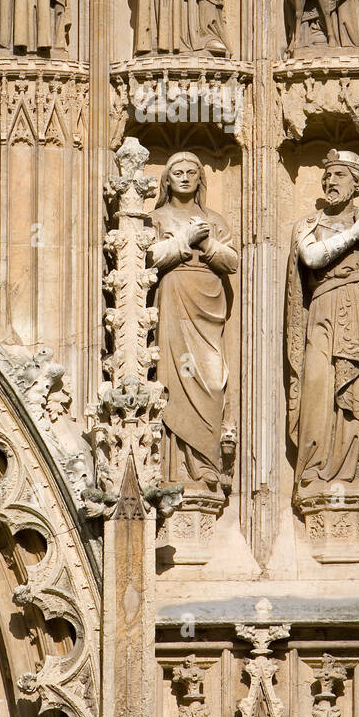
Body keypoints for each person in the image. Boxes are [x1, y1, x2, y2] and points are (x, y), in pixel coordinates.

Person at [286, 149, 359, 498]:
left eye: (338, 175)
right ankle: (316, 468)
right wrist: (354, 234)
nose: (329, 182)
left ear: (357, 183)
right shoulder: (308, 224)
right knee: (319, 386)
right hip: (323, 310)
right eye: (327, 175)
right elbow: (312, 256)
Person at [149, 152, 237, 494]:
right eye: (177, 173)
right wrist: (183, 241)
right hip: (173, 299)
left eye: (191, 172)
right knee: (175, 379)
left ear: (200, 179)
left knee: (213, 382)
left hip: (209, 305)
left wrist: (208, 242)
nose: (184, 178)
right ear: (166, 181)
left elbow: (231, 261)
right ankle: (179, 467)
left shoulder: (214, 221)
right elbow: (146, 258)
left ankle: (208, 463)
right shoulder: (157, 218)